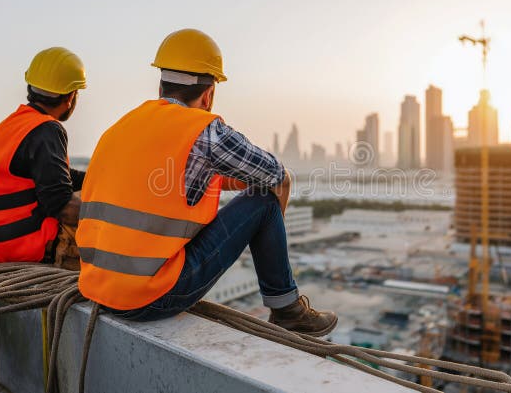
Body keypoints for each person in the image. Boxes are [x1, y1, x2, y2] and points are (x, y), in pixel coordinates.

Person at [76, 29, 337, 336]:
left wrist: (234, 182)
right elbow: (279, 177)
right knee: (265, 200)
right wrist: (265, 235)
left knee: (255, 190)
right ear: (209, 94)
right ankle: (287, 309)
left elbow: (172, 181)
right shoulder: (205, 133)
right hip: (149, 298)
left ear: (161, 84)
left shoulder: (119, 128)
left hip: (98, 289)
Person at [0, 47, 86, 268]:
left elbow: (55, 176)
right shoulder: (47, 129)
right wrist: (111, 215)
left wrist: (99, 178)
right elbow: (59, 203)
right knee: (101, 222)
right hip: (20, 246)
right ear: (70, 97)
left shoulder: (16, 124)